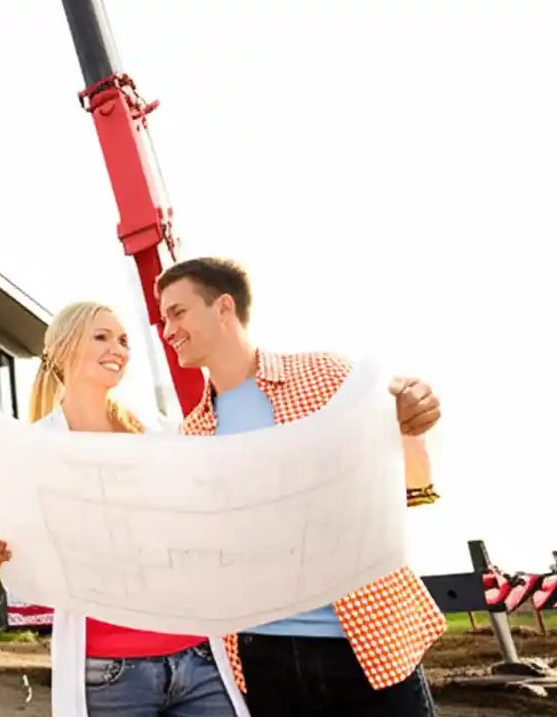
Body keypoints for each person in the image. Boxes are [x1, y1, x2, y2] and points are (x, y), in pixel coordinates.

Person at [155, 256, 445, 716]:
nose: (166, 329)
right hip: (261, 655)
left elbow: (413, 489)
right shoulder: (193, 433)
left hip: (364, 642)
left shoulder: (327, 377)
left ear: (224, 307)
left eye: (177, 312)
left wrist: (413, 421)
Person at [0, 300, 248, 717]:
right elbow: (26, 581)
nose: (118, 349)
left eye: (123, 341)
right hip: (111, 673)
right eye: (101, 337)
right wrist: (3, 554)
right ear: (63, 348)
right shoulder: (32, 450)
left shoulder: (160, 434)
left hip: (197, 659)